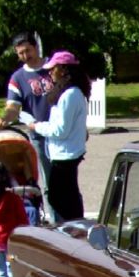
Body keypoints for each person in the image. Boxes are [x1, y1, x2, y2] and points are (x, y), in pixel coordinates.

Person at [0, 31, 55, 221]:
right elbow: (13, 106)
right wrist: (5, 118)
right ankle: (54, 221)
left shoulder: (53, 67)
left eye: (27, 50)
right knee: (48, 182)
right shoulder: (18, 78)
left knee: (66, 180)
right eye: (20, 53)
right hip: (38, 136)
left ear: (35, 47)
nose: (25, 56)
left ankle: (71, 219)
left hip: (62, 133)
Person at [30, 50, 89, 222]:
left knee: (61, 197)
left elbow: (60, 130)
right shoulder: (68, 93)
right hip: (63, 153)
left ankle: (76, 228)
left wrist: (36, 126)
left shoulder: (71, 95)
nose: (49, 73)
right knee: (61, 196)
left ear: (63, 70)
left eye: (52, 69)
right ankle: (74, 226)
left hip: (66, 155)